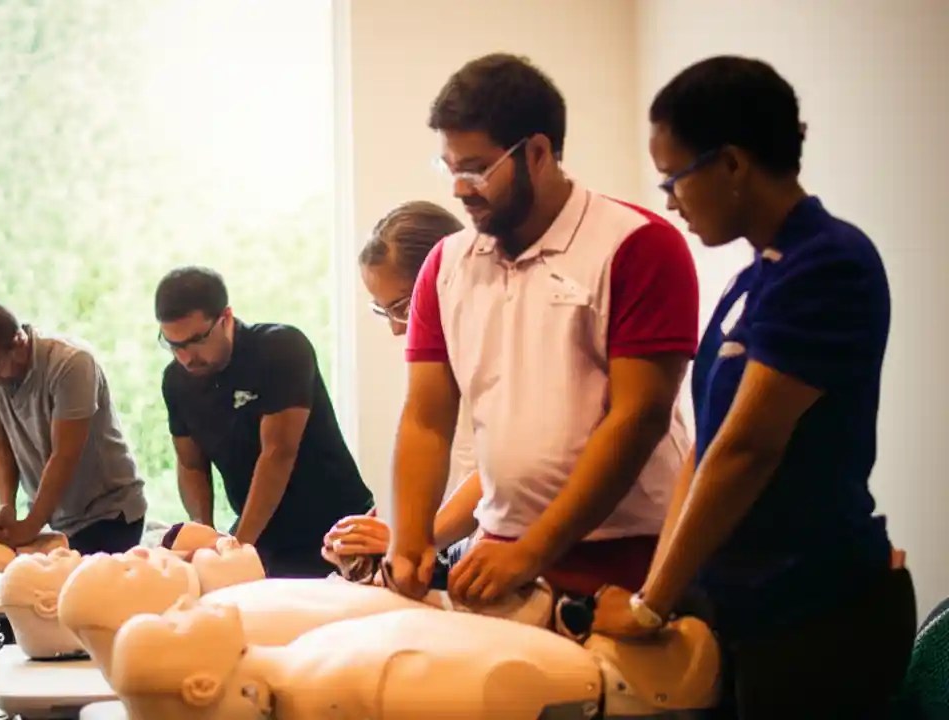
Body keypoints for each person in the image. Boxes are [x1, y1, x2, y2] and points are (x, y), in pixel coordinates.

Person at [592, 55, 916, 719]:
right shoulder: (752, 282)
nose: (670, 201)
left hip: (815, 615)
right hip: (742, 606)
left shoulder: (828, 264)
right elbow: (708, 447)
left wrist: (651, 600)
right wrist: (667, 586)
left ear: (732, 165)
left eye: (674, 179)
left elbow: (747, 450)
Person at [385, 53, 701, 608]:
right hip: (499, 547)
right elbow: (427, 417)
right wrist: (411, 538)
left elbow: (638, 417)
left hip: (629, 551)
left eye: (477, 168)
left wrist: (533, 550)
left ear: (538, 152)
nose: (460, 189)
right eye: (449, 168)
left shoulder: (637, 245)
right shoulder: (447, 263)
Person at [157, 266, 374, 577]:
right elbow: (191, 465)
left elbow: (278, 453)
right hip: (265, 536)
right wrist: (203, 535)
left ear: (226, 318)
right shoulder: (176, 381)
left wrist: (236, 549)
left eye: (197, 340)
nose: (187, 357)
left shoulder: (280, 348)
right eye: (173, 345)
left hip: (335, 527)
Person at [322, 201, 482, 566]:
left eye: (402, 307)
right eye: (383, 311)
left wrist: (408, 540)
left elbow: (496, 477)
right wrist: (382, 529)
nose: (397, 327)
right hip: (455, 548)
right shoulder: (441, 366)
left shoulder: (494, 353)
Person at [0, 300, 148, 555]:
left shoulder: (71, 364)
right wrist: (6, 507)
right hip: (57, 517)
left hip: (110, 513)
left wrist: (31, 525)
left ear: (19, 343)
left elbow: (65, 455)